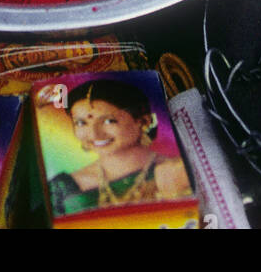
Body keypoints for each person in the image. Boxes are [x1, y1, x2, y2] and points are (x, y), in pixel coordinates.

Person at [48, 79, 190, 215]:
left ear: (143, 121)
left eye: (109, 121)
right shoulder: (61, 188)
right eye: (81, 123)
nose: (94, 133)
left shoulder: (177, 171)